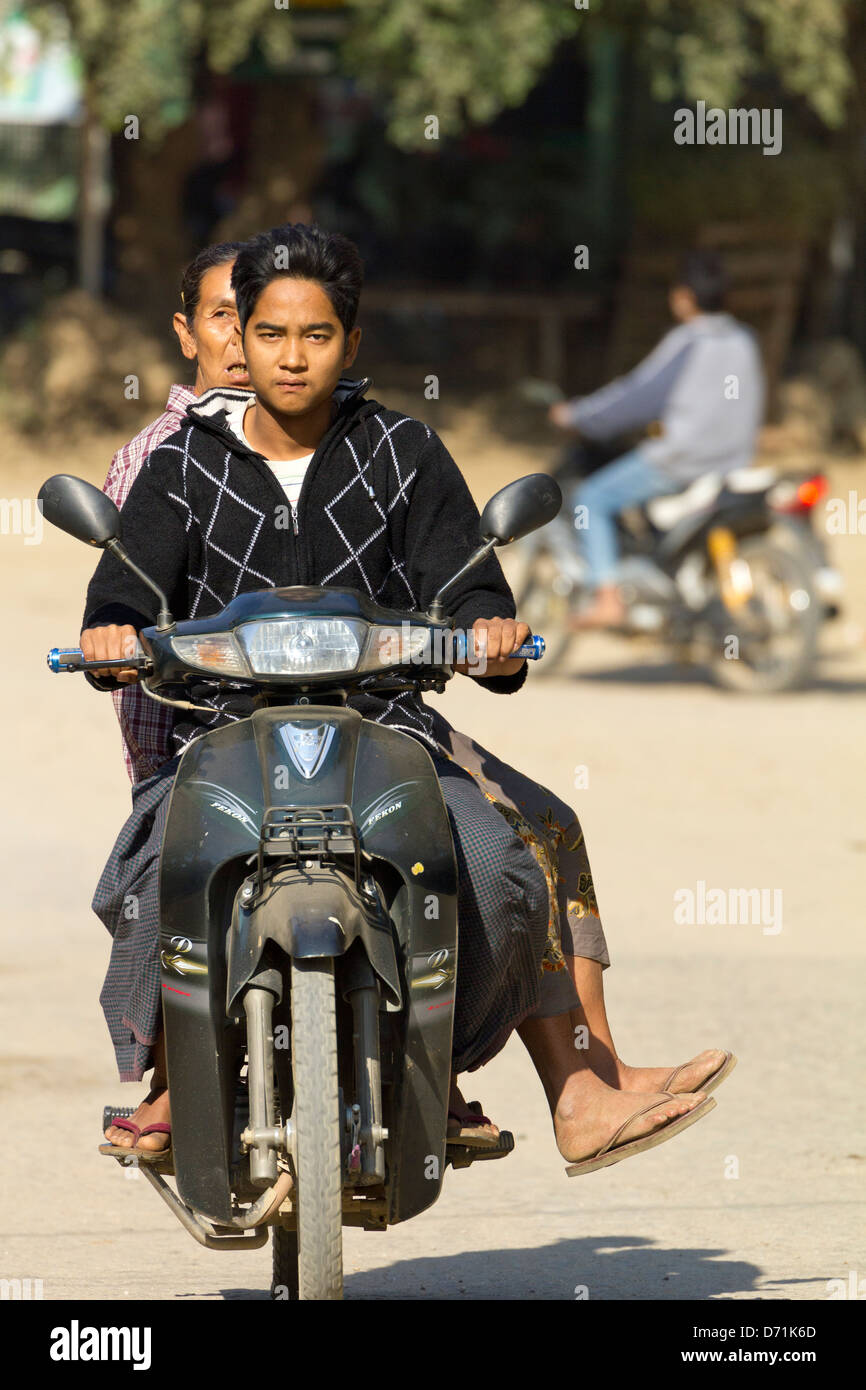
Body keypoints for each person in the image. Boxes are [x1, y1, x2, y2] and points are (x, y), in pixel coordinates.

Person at [87, 225, 725, 1176]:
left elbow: (467, 582)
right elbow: (124, 592)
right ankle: (181, 1069)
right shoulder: (181, 463)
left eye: (315, 336)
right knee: (154, 876)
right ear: (237, 340)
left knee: (501, 865)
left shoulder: (402, 450)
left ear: (352, 342)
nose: (290, 357)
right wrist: (112, 635)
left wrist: (491, 633)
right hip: (221, 735)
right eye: (268, 334)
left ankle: (437, 1056)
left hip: (388, 731)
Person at [550, 249, 766, 628]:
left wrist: (580, 415)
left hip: (683, 460)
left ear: (684, 296)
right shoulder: (744, 340)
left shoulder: (690, 340)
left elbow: (636, 397)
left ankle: (607, 598)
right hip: (734, 461)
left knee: (593, 498)